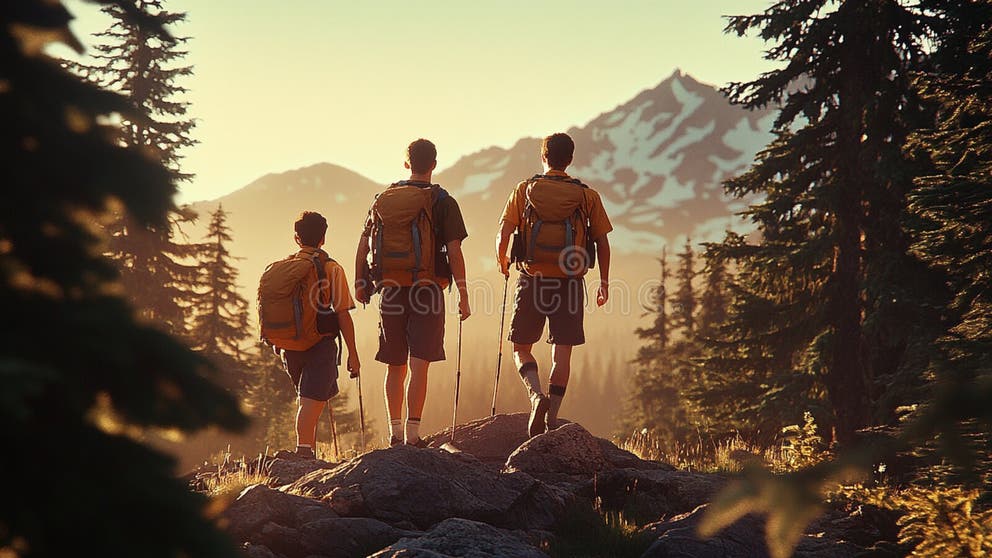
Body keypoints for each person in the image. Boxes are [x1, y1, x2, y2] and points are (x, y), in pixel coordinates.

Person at [495, 132, 613, 437]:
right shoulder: (587, 196)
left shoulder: (524, 190)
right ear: (570, 159)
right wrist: (604, 282)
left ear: (543, 157)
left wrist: (502, 260)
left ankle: (536, 396)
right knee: (562, 354)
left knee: (521, 347)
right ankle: (552, 422)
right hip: (570, 282)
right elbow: (601, 242)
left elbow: (504, 233)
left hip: (532, 278)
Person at [355, 139, 471, 448]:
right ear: (434, 164)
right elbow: (455, 251)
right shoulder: (443, 201)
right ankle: (413, 434)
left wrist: (359, 283)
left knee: (396, 364)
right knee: (420, 363)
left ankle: (393, 435)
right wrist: (463, 293)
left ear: (406, 164)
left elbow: (364, 244)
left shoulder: (384, 198)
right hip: (428, 289)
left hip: (390, 290)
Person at [273, 212, 360, 459]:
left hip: (290, 346)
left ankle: (306, 451)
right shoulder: (331, 268)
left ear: (296, 239)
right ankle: (303, 452)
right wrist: (353, 353)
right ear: (323, 238)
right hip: (320, 343)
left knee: (307, 398)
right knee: (311, 400)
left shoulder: (285, 269)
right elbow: (343, 314)